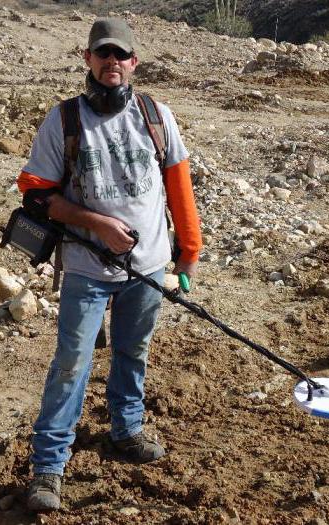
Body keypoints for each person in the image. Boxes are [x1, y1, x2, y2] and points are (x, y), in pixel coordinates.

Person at [16, 17, 202, 512]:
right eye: (104, 54)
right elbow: (35, 193)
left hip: (148, 266)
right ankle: (49, 466)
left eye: (121, 55)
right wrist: (96, 224)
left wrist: (188, 252)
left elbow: (179, 189)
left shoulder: (157, 117)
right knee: (71, 364)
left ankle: (127, 429)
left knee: (132, 352)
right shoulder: (65, 121)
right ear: (88, 59)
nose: (112, 63)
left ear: (134, 62)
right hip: (86, 268)